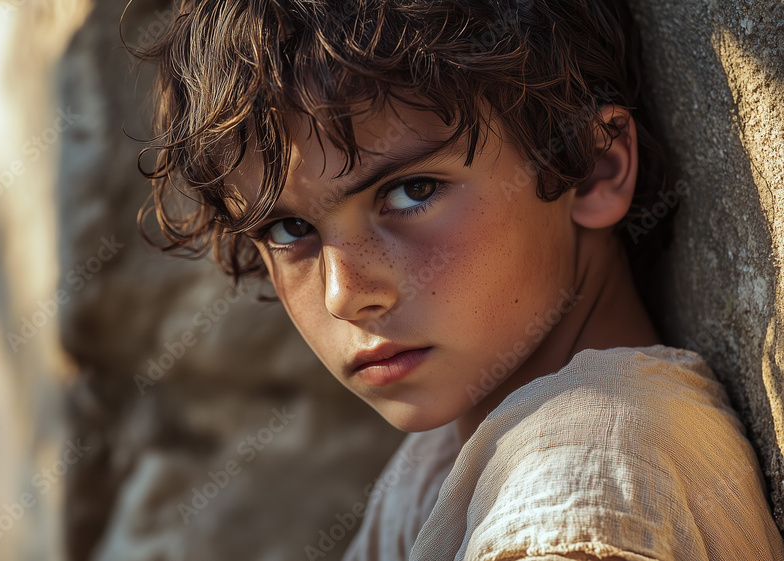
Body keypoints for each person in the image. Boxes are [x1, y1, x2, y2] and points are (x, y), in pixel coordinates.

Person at [128, 0, 784, 558]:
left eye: (412, 191)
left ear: (590, 167)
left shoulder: (586, 485)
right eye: (289, 230)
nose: (345, 293)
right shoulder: (445, 455)